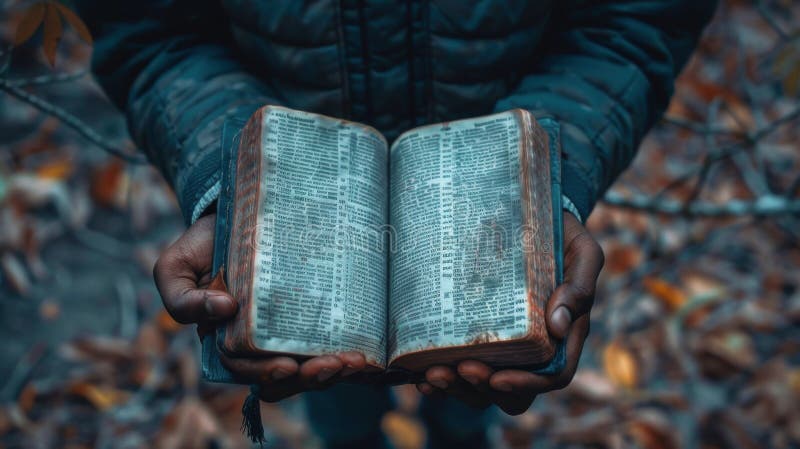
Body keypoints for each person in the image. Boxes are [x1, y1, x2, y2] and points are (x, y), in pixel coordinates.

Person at [75, 1, 717, 447]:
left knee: (478, 377)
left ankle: (461, 436)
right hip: (301, 225)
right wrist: (237, 193)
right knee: (321, 371)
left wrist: (546, 187)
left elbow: (635, 21)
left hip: (488, 230)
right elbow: (149, 30)